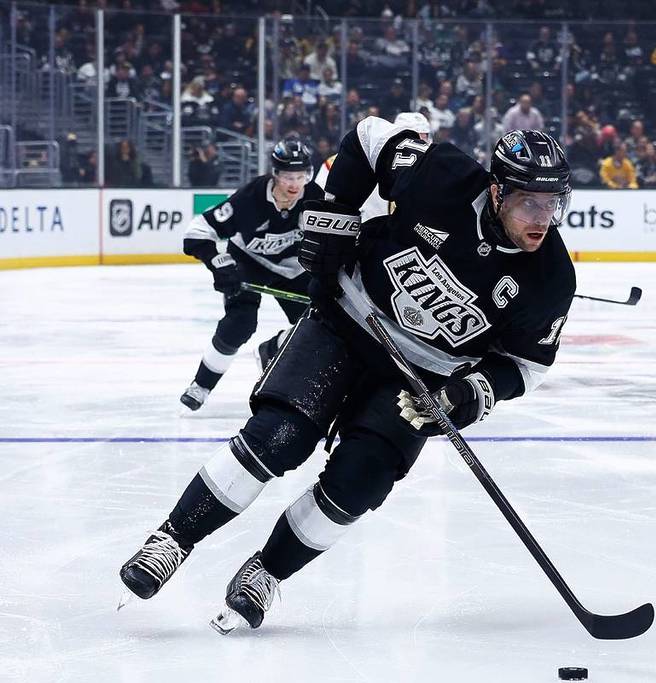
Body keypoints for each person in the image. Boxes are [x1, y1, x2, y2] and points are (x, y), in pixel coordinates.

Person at [118, 122, 575, 633]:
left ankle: (266, 573)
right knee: (277, 438)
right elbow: (370, 137)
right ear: (497, 191)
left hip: (418, 380)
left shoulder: (553, 278)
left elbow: (524, 365)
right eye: (529, 204)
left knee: (359, 483)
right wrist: (333, 216)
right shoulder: (440, 174)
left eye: (553, 203)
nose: (543, 218)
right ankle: (173, 539)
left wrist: (470, 393)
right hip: (346, 319)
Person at [177, 140, 324, 411]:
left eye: (300, 177)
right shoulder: (250, 198)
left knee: (318, 326)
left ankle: (271, 349)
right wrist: (219, 263)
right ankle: (201, 386)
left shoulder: (316, 198)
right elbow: (197, 230)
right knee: (240, 323)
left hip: (292, 266)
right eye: (288, 177)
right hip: (248, 263)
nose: (294, 185)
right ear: (276, 175)